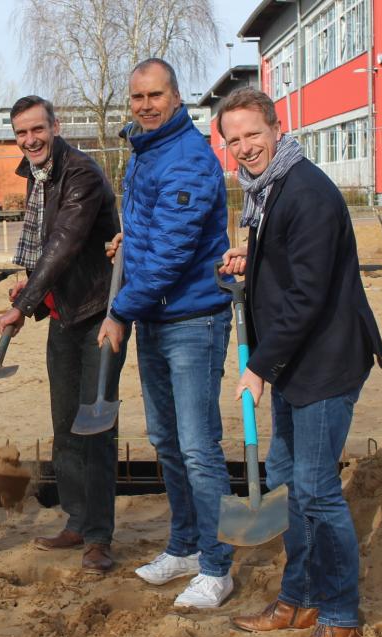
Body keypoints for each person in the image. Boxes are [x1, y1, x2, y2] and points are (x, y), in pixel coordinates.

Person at [217, 87, 382, 637]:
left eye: (252, 135)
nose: (244, 148)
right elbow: (288, 265)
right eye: (233, 140)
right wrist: (251, 257)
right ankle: (299, 599)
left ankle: (340, 617)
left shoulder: (308, 192)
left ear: (276, 127)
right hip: (296, 361)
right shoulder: (269, 190)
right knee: (289, 480)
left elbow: (310, 294)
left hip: (325, 362)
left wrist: (258, 367)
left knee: (316, 490)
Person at [97, 59, 234, 608]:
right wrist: (129, 241)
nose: (145, 105)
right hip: (158, 315)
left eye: (155, 95)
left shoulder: (187, 160)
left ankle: (218, 565)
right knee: (167, 441)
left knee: (199, 448)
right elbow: (154, 235)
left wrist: (120, 311)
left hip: (193, 321)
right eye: (137, 97)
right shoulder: (147, 150)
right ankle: (184, 546)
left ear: (177, 97)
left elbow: (173, 255)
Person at [0, 95, 126, 575]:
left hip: (99, 314)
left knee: (96, 423)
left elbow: (65, 243)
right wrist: (31, 285)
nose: (29, 140)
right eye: (21, 133)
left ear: (55, 125)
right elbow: (43, 250)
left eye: (37, 129)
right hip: (63, 313)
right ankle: (78, 519)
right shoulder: (37, 176)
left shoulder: (81, 174)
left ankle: (98, 538)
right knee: (65, 423)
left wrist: (23, 302)